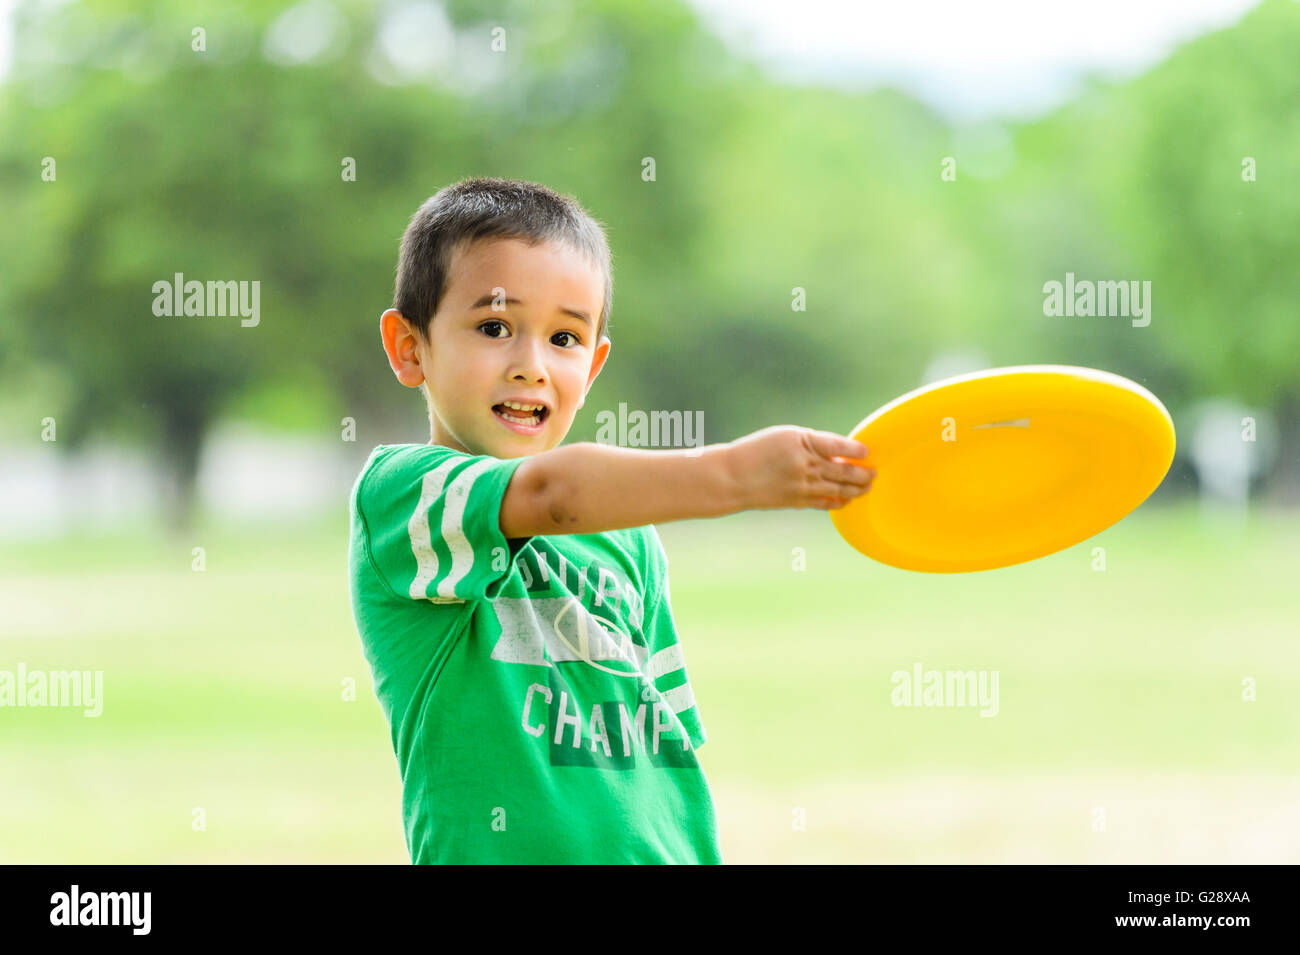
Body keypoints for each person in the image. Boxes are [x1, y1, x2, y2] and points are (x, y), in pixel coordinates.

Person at [347, 176, 875, 864]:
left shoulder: (628, 537)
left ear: (594, 362)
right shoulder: (402, 496)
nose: (530, 366)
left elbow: (663, 745)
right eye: (494, 327)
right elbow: (552, 493)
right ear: (409, 346)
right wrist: (738, 475)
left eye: (564, 337)